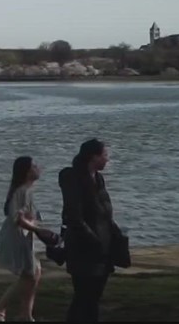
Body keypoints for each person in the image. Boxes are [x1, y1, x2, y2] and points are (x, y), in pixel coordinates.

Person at [59, 138, 117, 323]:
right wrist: (94, 241)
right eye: (105, 155)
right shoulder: (71, 177)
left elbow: (104, 213)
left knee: (93, 298)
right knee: (84, 296)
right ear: (93, 156)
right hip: (83, 248)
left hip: (103, 249)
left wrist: (115, 237)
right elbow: (74, 216)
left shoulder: (98, 178)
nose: (107, 160)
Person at [0, 156, 52, 322]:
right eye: (34, 166)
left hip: (23, 237)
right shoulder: (22, 192)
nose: (38, 168)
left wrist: (37, 229)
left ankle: (26, 314)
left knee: (35, 272)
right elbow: (18, 220)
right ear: (26, 172)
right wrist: (39, 230)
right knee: (30, 274)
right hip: (16, 237)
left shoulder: (25, 191)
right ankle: (1, 306)